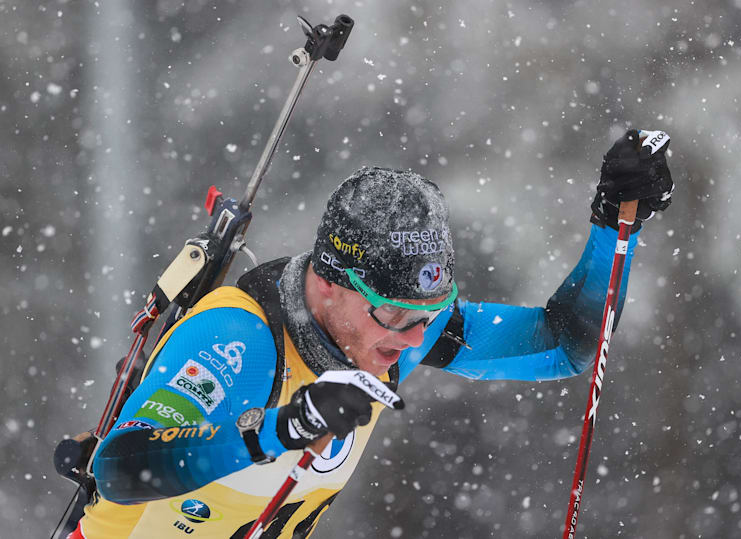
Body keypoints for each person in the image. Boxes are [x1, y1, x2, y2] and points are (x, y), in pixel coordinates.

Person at [71, 128, 674, 538]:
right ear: (330, 282)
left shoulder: (389, 331)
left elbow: (569, 345)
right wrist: (284, 427)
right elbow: (120, 467)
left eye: (427, 316)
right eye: (392, 314)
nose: (414, 341)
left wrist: (613, 227)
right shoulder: (239, 340)